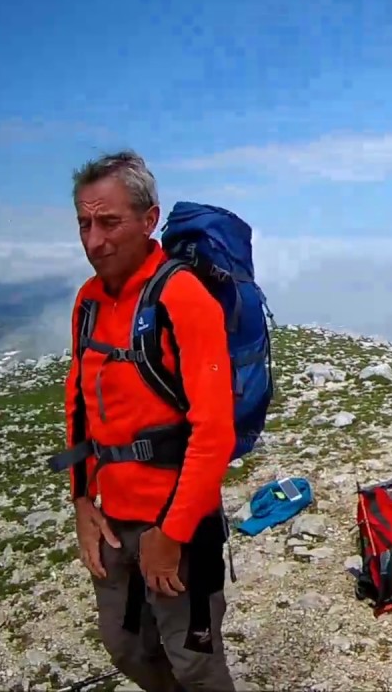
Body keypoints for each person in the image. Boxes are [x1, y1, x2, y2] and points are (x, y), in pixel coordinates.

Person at [60, 150, 238, 691]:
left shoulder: (182, 298)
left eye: (109, 222)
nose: (94, 241)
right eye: (84, 224)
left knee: (196, 663)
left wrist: (172, 533)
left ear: (149, 219)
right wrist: (82, 500)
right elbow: (79, 405)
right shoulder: (88, 302)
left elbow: (215, 433)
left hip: (178, 521)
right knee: (126, 648)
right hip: (113, 521)